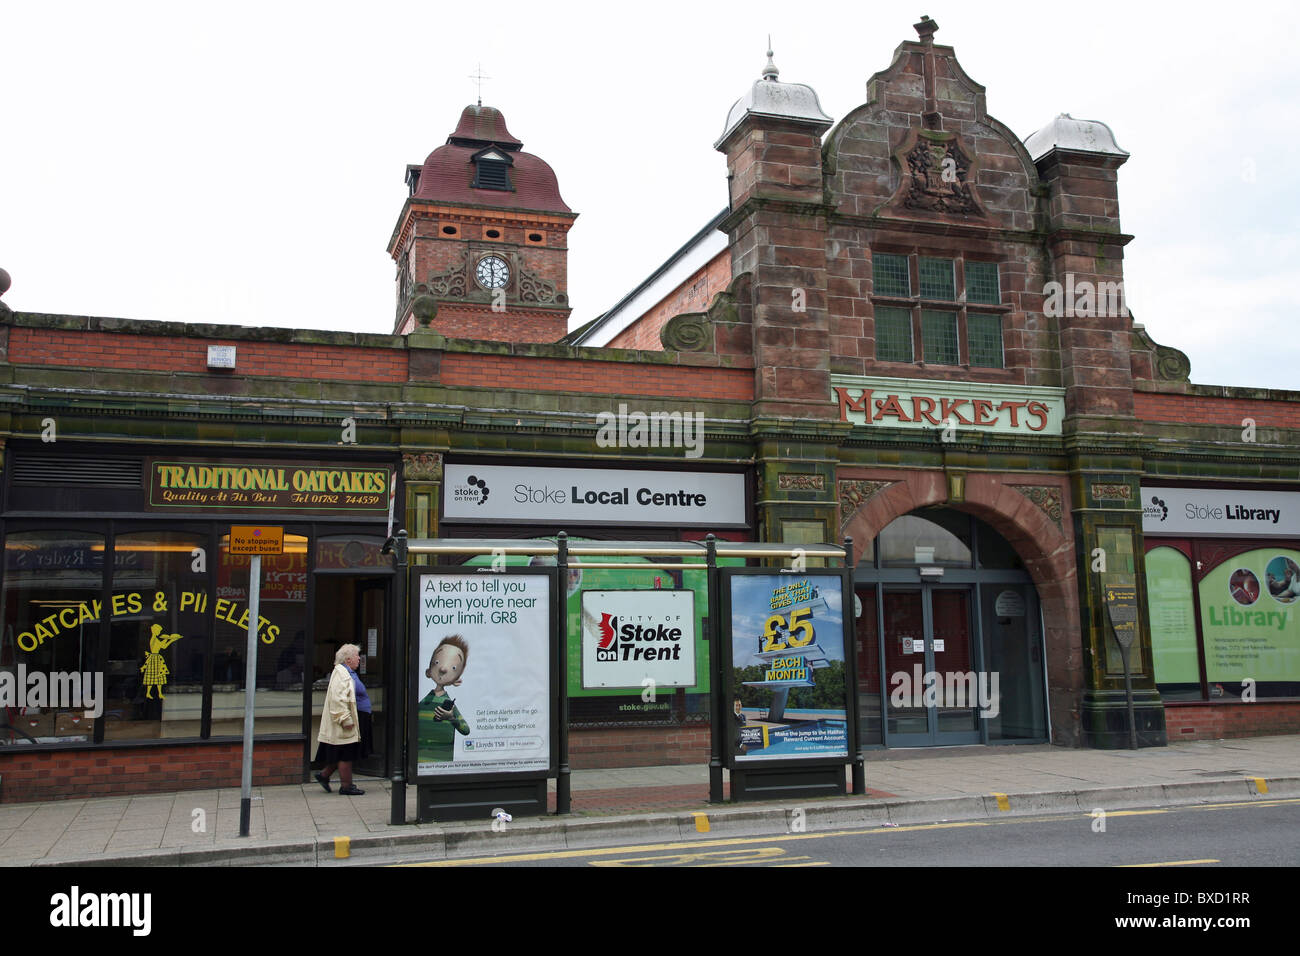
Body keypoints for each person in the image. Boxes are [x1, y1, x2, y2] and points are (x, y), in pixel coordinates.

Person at [315, 643, 365, 796]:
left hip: (346, 722)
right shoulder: (342, 675)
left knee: (343, 752)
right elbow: (338, 700)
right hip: (343, 723)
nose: (359, 659)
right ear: (348, 659)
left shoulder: (345, 673)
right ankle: (346, 786)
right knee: (345, 754)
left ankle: (325, 776)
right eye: (357, 656)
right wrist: (346, 720)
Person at [417, 635, 471, 762]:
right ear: (428, 672)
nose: (442, 669)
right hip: (421, 758)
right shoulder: (423, 703)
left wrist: (451, 717)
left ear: (457, 680)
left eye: (453, 668)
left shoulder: (450, 706)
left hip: (442, 760)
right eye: (437, 662)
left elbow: (465, 729)